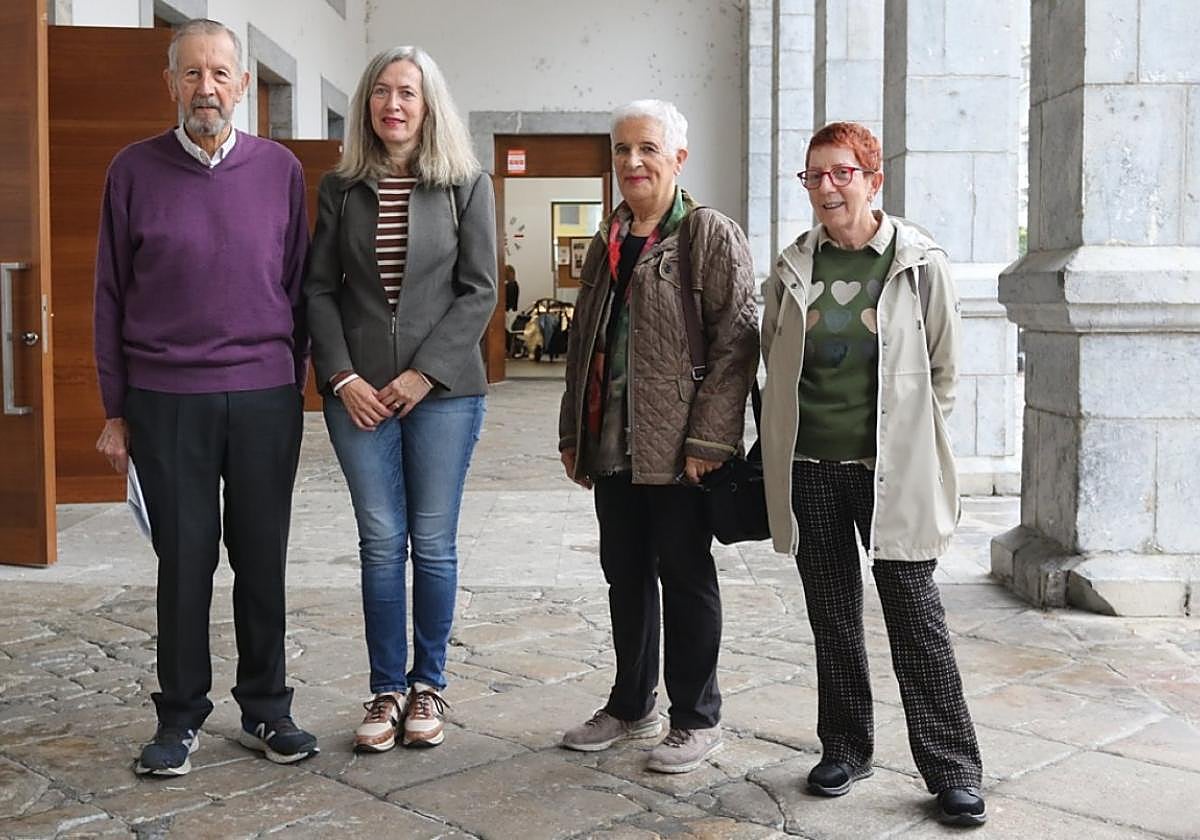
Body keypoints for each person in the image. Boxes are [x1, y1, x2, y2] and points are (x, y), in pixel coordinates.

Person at [93, 18, 317, 776]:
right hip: (165, 398)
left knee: (262, 560)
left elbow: (297, 286)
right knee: (183, 564)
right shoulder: (131, 170)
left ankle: (267, 709)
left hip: (263, 398)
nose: (206, 88)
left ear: (243, 86)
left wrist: (291, 386)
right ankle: (180, 716)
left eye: (220, 74)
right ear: (171, 84)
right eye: (191, 74)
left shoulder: (280, 170)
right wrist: (115, 409)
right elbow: (109, 296)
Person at [758, 121, 986, 826]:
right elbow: (774, 358)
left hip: (891, 473)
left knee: (916, 618)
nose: (827, 187)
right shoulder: (793, 266)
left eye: (841, 173)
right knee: (832, 617)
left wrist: (912, 446)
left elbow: (943, 373)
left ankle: (952, 768)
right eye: (813, 175)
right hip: (811, 469)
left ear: (872, 179)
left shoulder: (918, 263)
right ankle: (846, 747)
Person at [303, 46, 495, 753]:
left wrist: (424, 375)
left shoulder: (466, 184)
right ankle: (385, 689)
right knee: (382, 542)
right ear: (366, 105)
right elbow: (320, 289)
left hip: (442, 394)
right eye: (381, 92)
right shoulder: (341, 187)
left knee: (434, 544)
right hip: (357, 395)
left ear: (427, 104)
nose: (393, 105)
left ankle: (428, 686)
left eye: (407, 93)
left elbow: (480, 290)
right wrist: (343, 377)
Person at [558, 100, 758, 774]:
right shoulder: (609, 236)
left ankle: (697, 716)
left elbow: (737, 345)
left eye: (646, 148)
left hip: (679, 451)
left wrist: (709, 441)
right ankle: (629, 703)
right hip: (612, 443)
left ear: (678, 157)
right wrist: (573, 434)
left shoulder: (707, 234)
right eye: (621, 150)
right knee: (625, 575)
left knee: (685, 574)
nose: (632, 162)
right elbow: (584, 342)